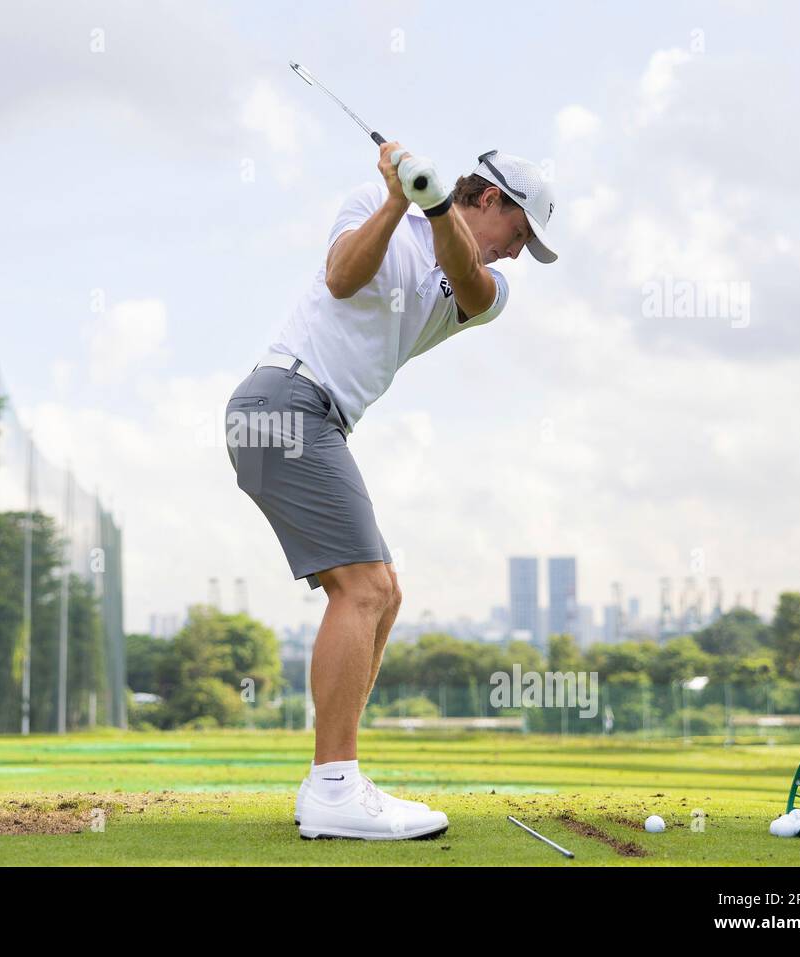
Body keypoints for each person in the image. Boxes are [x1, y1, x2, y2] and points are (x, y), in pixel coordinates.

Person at [224, 144, 558, 840]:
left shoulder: (487, 289)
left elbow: (466, 276)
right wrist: (398, 201)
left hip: (312, 418)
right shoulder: (369, 208)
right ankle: (335, 786)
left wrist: (434, 205)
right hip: (284, 402)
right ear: (491, 199)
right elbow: (343, 279)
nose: (517, 255)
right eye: (520, 234)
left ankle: (334, 779)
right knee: (366, 589)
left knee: (384, 592)